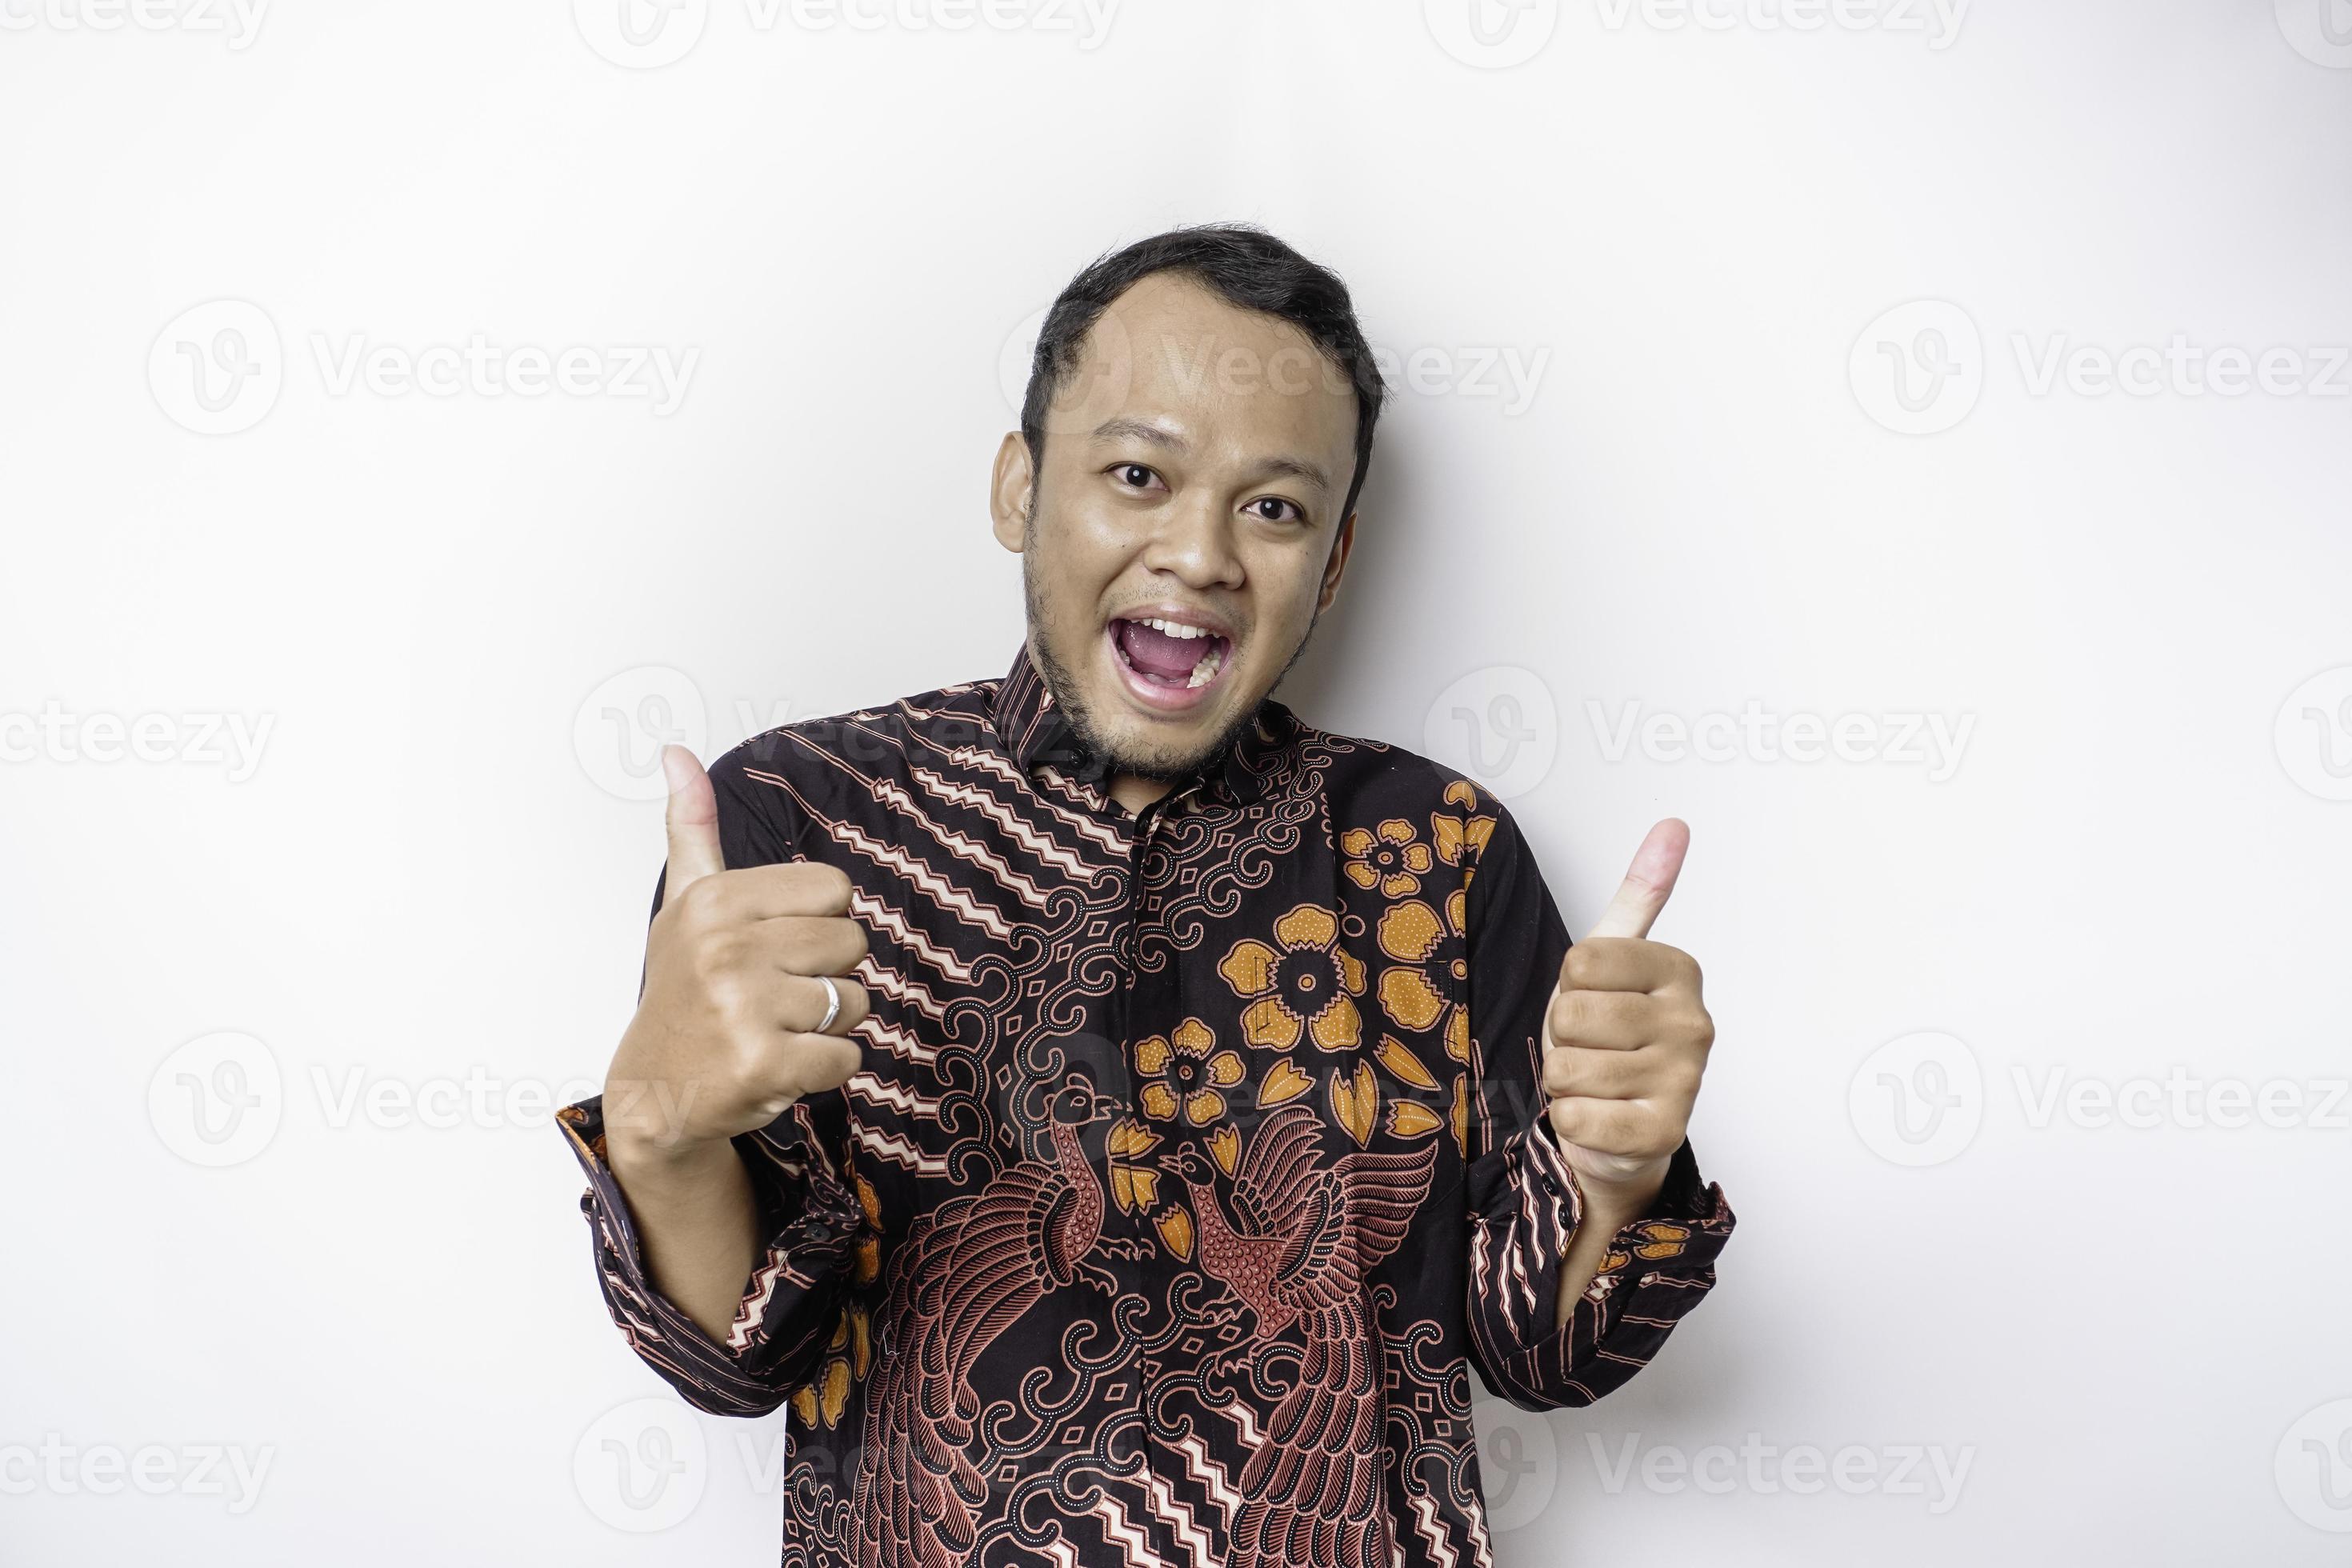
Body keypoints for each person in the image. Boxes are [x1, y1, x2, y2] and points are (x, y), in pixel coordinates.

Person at [559, 224, 1735, 1567]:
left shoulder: (1441, 850)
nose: (1202, 553)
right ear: (1019, 488)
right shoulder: (799, 824)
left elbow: (1544, 1353)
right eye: (1138, 474)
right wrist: (658, 1131)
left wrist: (1614, 1168)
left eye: (1274, 507)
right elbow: (739, 1360)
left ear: (1335, 562)